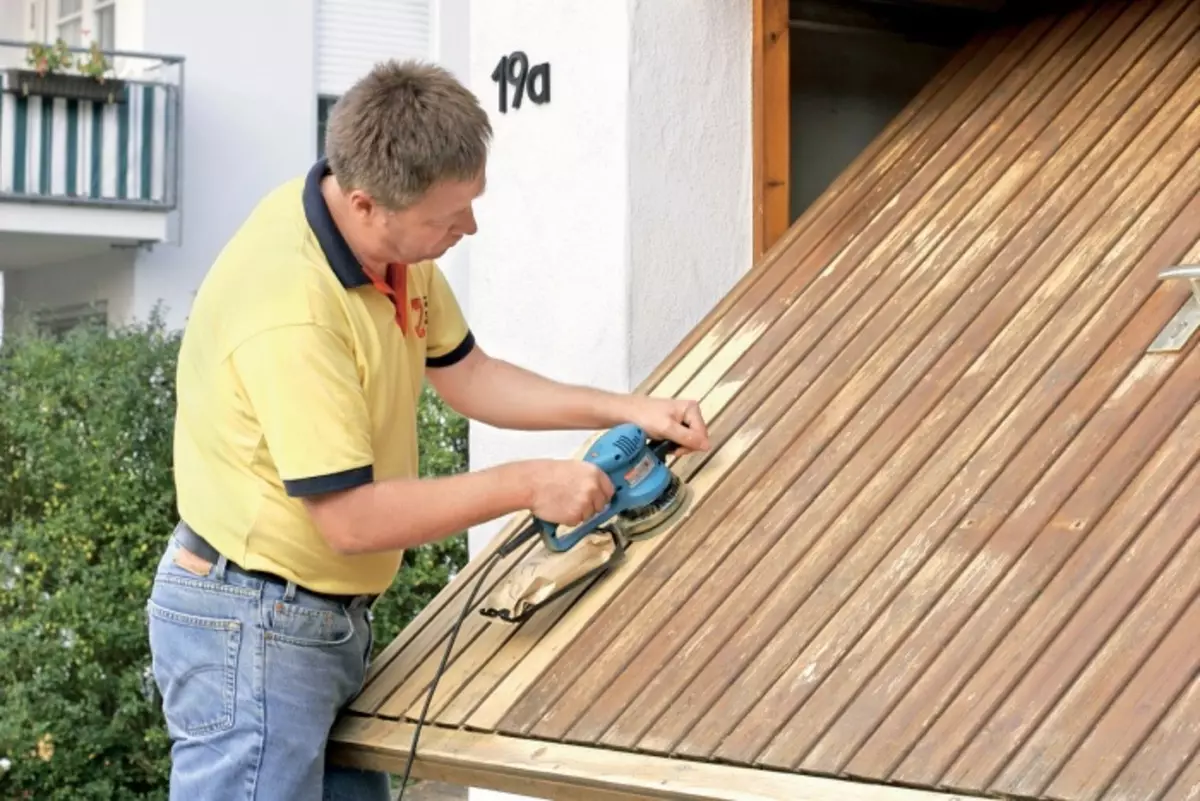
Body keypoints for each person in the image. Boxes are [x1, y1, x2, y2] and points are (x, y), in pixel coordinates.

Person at [144, 59, 709, 801]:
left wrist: (624, 407)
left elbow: (468, 374)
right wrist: (527, 483)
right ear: (367, 202)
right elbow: (349, 519)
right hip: (252, 625)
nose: (468, 228)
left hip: (322, 617)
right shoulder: (291, 307)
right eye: (451, 215)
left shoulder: (383, 248)